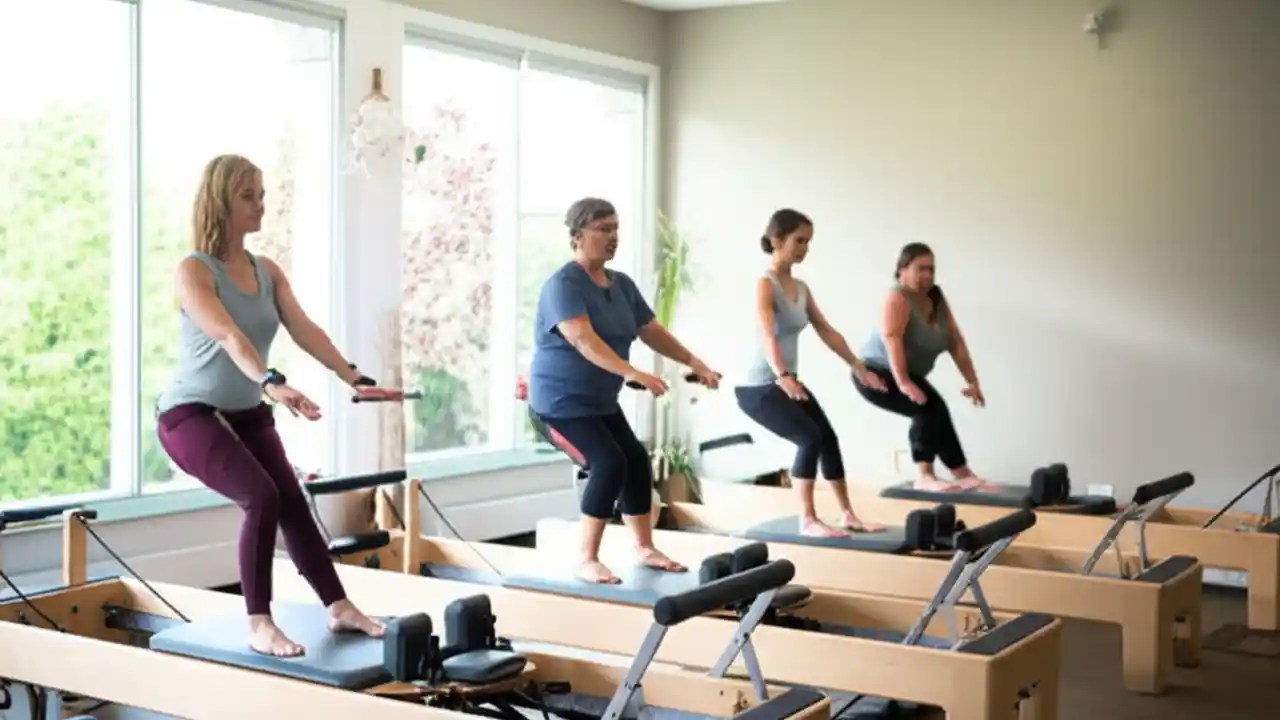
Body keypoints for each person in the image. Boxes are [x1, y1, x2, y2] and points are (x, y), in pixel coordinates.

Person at [154, 154, 404, 657]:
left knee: (291, 501)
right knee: (261, 497)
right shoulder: (193, 271)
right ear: (221, 200)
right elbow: (227, 333)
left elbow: (304, 329)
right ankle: (259, 622)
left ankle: (339, 605)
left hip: (247, 412)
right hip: (190, 416)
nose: (260, 205)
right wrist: (271, 382)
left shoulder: (265, 270)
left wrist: (353, 375)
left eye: (263, 195)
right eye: (249, 196)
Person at [528, 197, 722, 585]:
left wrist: (694, 362)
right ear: (578, 236)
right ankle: (587, 558)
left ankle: (645, 547)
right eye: (603, 229)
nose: (613, 237)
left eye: (616, 228)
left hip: (599, 403)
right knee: (608, 463)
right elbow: (583, 340)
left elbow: (652, 332)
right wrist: (631, 372)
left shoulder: (622, 286)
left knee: (635, 459)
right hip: (559, 408)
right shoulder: (563, 285)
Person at [734, 209, 890, 538]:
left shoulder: (801, 287)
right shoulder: (766, 283)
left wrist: (858, 367)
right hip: (758, 387)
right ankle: (808, 520)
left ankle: (848, 514)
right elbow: (767, 332)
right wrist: (783, 374)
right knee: (808, 439)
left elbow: (826, 330)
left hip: (785, 380)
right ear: (777, 240)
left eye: (808, 242)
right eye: (799, 240)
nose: (804, 247)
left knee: (827, 439)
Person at [854, 242, 996, 492]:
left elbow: (955, 341)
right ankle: (924, 475)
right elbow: (892, 338)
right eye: (920, 269)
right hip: (874, 373)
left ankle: (960, 472)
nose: (928, 275)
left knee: (937, 409)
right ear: (902, 269)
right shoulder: (897, 296)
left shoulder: (936, 298)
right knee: (925, 409)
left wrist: (972, 382)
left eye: (931, 269)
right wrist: (904, 383)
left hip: (907, 375)